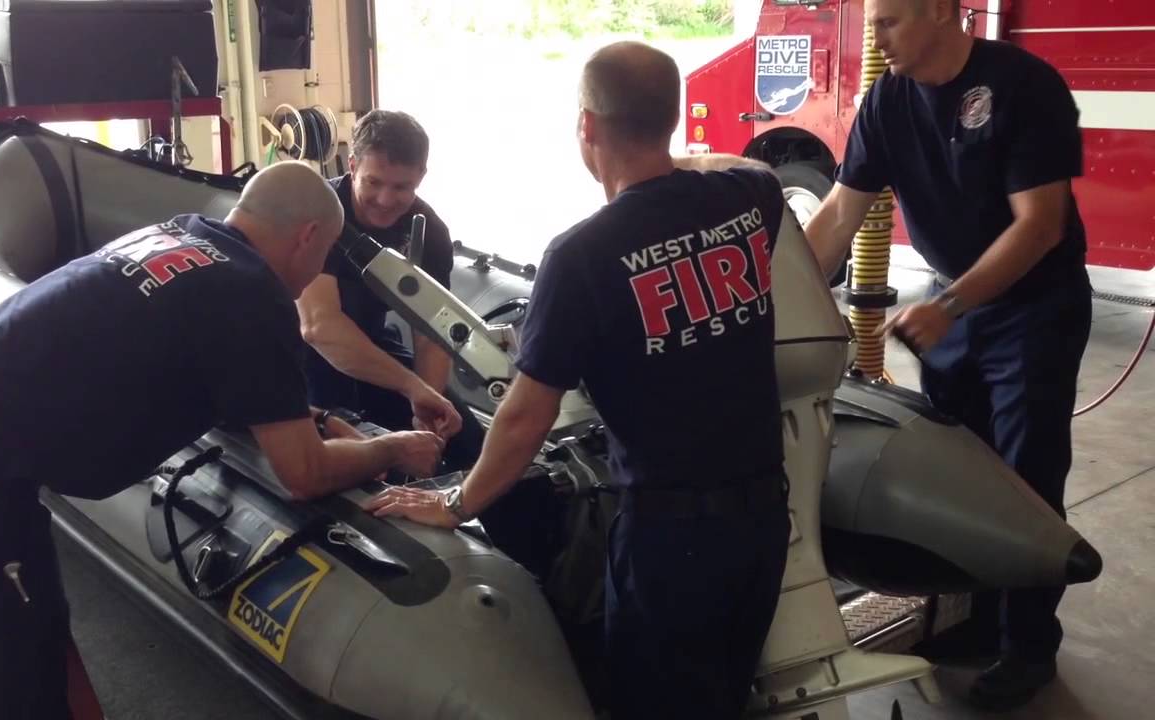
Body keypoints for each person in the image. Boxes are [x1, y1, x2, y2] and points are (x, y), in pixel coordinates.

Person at [0, 161, 443, 719]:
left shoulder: (179, 235)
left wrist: (311, 418)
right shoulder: (252, 294)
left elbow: (217, 375)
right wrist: (391, 447)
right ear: (309, 237)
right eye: (324, 256)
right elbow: (304, 474)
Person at [364, 41, 791, 719]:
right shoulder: (751, 198)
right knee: (724, 694)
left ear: (587, 125)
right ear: (670, 117)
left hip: (667, 537)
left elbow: (528, 415)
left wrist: (455, 503)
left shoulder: (581, 256)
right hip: (764, 516)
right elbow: (740, 168)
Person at [803, 0, 1093, 710]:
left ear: (941, 12)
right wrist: (779, 296)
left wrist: (950, 307)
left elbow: (1040, 226)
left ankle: (1028, 648)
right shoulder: (887, 99)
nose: (876, 38)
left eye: (890, 22)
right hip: (953, 309)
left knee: (1022, 481)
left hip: (1032, 309)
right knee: (957, 474)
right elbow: (841, 211)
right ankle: (972, 621)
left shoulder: (1024, 86)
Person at [298, 109, 484, 471]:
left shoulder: (430, 231)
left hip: (372, 345)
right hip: (301, 358)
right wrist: (411, 387)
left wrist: (427, 407)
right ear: (352, 165)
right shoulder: (317, 212)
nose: (385, 200)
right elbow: (319, 327)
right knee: (351, 459)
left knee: (466, 446)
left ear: (421, 177)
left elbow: (431, 330)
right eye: (373, 182)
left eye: (401, 187)